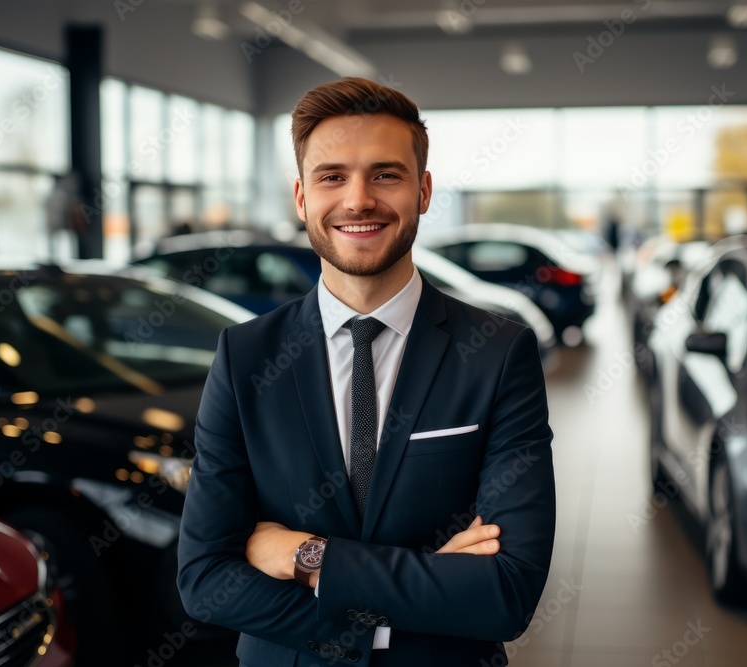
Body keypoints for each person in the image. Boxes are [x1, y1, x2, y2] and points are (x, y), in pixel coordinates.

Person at [177, 77, 556, 667]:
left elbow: (507, 593)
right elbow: (205, 579)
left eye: (386, 174)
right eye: (332, 176)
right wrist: (405, 607)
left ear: (423, 190)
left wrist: (306, 555)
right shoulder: (245, 357)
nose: (358, 199)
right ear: (302, 197)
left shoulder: (498, 352)